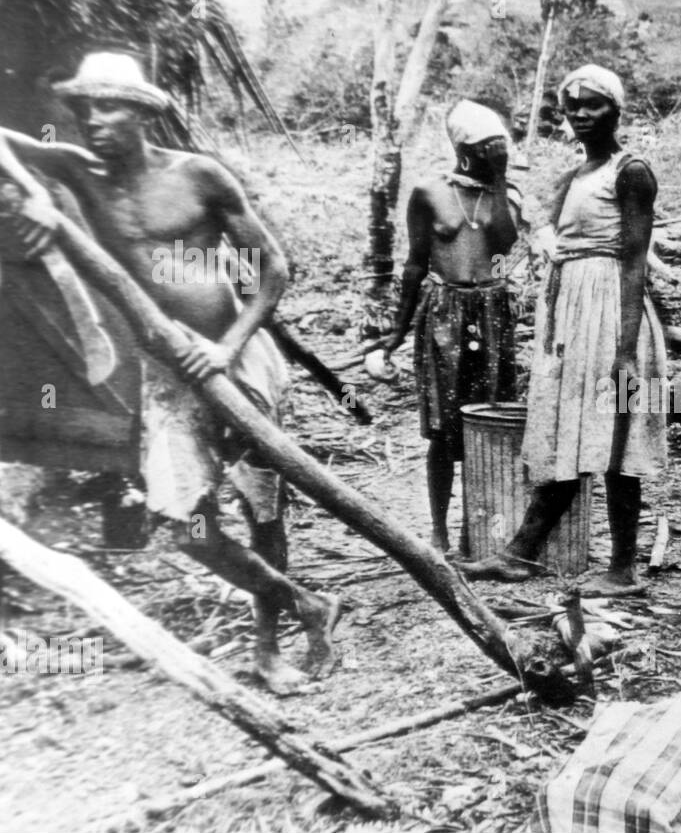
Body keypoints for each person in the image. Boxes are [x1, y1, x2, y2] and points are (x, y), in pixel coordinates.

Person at [1, 52, 337, 693]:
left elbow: (275, 269)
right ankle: (309, 604)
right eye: (84, 108)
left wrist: (229, 348)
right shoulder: (77, 169)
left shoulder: (198, 176)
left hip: (237, 360)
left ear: (142, 112)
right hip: (167, 374)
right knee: (187, 524)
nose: (93, 121)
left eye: (108, 107)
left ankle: (269, 653)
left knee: (262, 509)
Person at [460, 64, 667, 597]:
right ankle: (519, 555)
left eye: (593, 104)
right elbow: (545, 233)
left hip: (612, 314)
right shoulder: (576, 174)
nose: (580, 114)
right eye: (572, 105)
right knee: (568, 427)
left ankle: (623, 569)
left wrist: (625, 352)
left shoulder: (631, 171)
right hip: (574, 315)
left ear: (616, 111)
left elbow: (635, 262)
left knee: (617, 439)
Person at [385, 100, 522, 553]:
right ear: (465, 150)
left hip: (491, 312)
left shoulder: (506, 194)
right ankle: (441, 528)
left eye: (502, 147)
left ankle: (478, 529)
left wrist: (500, 179)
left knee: (491, 421)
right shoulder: (428, 193)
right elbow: (413, 264)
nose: (497, 155)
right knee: (444, 429)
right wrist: (398, 330)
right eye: (489, 149)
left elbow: (503, 242)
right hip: (444, 314)